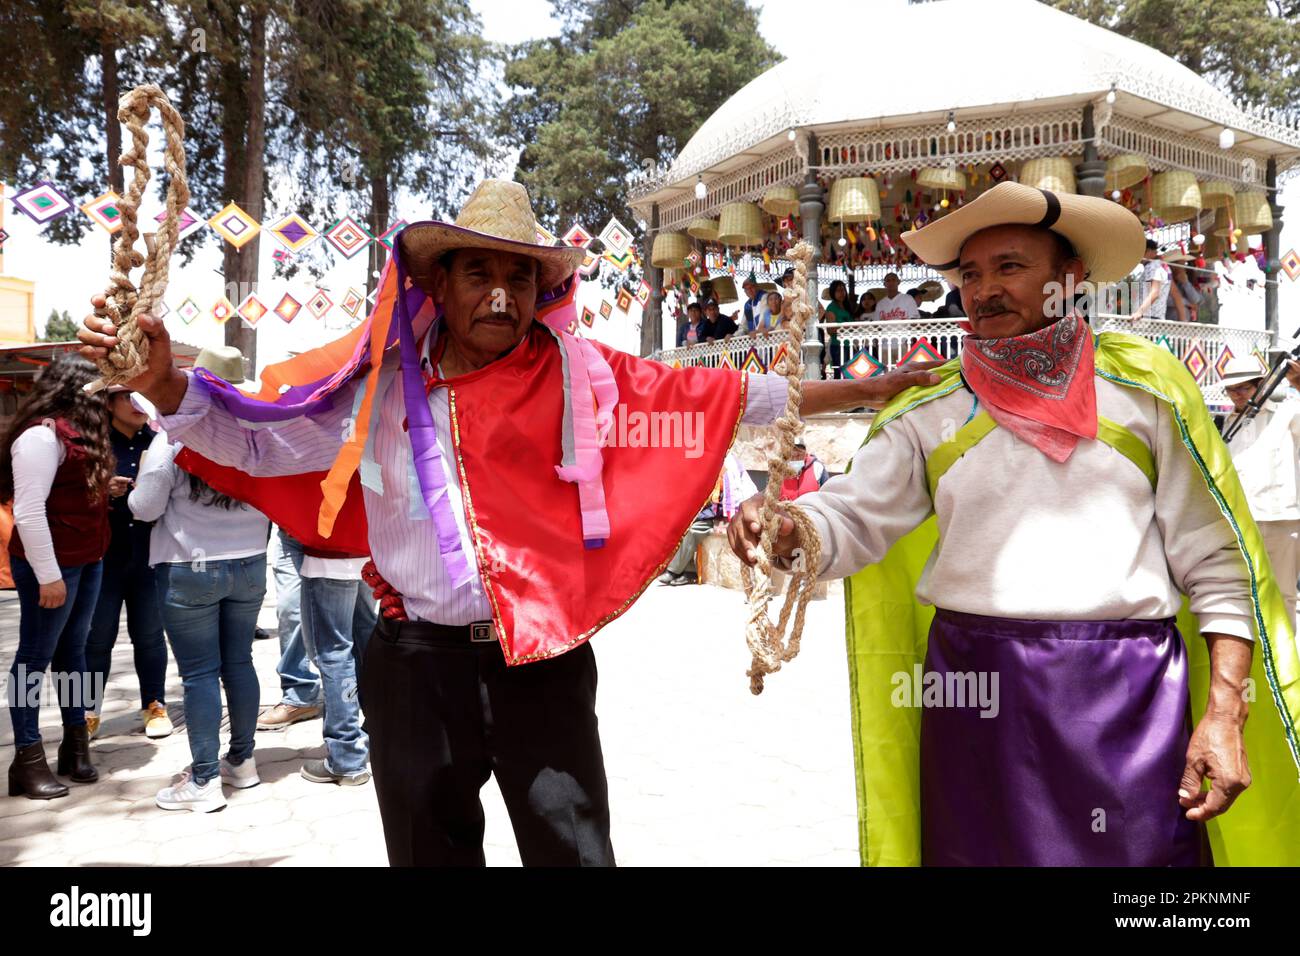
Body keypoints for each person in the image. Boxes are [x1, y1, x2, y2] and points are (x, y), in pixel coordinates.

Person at [79, 179, 936, 865]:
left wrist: (868, 388)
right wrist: (160, 386)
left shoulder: (585, 376)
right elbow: (254, 443)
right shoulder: (373, 387)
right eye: (479, 273)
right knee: (428, 853)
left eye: (518, 276)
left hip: (544, 665)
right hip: (412, 666)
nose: (500, 293)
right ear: (439, 284)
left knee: (571, 850)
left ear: (540, 290)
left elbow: (729, 396)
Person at [730, 180, 1300, 867]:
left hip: (1130, 697)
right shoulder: (931, 410)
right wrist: (790, 524)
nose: (985, 290)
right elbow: (854, 512)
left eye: (1010, 268)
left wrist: (1225, 709)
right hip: (975, 693)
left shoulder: (1147, 395)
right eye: (971, 274)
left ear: (1069, 276)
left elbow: (1219, 565)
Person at [127, 346, 271, 813]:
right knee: (240, 664)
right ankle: (242, 763)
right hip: (249, 564)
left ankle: (205, 781)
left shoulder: (171, 437)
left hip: (191, 569)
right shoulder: (260, 434)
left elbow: (145, 507)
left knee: (200, 674)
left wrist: (131, 493)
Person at [3, 353, 111, 799]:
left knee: (76, 652)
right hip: (52, 566)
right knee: (34, 657)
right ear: (79, 390)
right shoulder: (39, 439)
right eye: (101, 389)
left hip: (87, 558)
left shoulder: (79, 436)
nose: (106, 396)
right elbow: (27, 513)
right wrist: (49, 576)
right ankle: (26, 759)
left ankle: (75, 745)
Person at [84, 385, 170, 740]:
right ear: (108, 403)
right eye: (126, 397)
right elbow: (65, 496)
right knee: (93, 640)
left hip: (149, 554)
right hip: (100, 558)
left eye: (141, 397)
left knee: (150, 636)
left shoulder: (159, 441)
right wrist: (101, 490)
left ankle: (154, 704)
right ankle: (83, 714)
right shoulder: (90, 445)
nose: (137, 404)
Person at [1221, 356, 1300, 626]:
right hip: (1239, 522)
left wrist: (1298, 383)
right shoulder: (1226, 422)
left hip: (1281, 519)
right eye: (1232, 389)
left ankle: (1283, 663)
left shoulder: (1287, 412)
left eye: (1245, 388)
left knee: (1283, 594)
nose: (1237, 395)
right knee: (1241, 594)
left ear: (1261, 385)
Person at [296, 547, 378, 786]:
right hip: (363, 553)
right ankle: (381, 731)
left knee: (334, 654)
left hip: (328, 557)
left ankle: (347, 756)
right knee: (364, 640)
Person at [256, 528, 323, 731]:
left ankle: (358, 695)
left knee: (358, 618)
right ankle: (298, 695)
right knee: (290, 609)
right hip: (292, 534)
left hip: (344, 534)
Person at [658, 453, 756, 587]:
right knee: (681, 524)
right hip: (708, 509)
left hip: (724, 511)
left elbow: (733, 494)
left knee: (693, 529)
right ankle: (689, 572)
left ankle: (673, 571)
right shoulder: (702, 462)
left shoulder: (729, 464)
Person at [1131, 238, 1172, 320]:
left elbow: (1155, 292)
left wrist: (1139, 312)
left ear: (1149, 251)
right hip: (1158, 315)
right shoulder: (1165, 267)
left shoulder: (1152, 266)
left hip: (1147, 316)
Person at [822, 280, 854, 379]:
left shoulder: (847, 307)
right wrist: (848, 327)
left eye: (843, 290)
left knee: (850, 372)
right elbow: (830, 330)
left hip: (850, 344)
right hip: (838, 345)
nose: (841, 293)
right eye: (838, 290)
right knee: (840, 373)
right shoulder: (831, 308)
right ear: (833, 292)